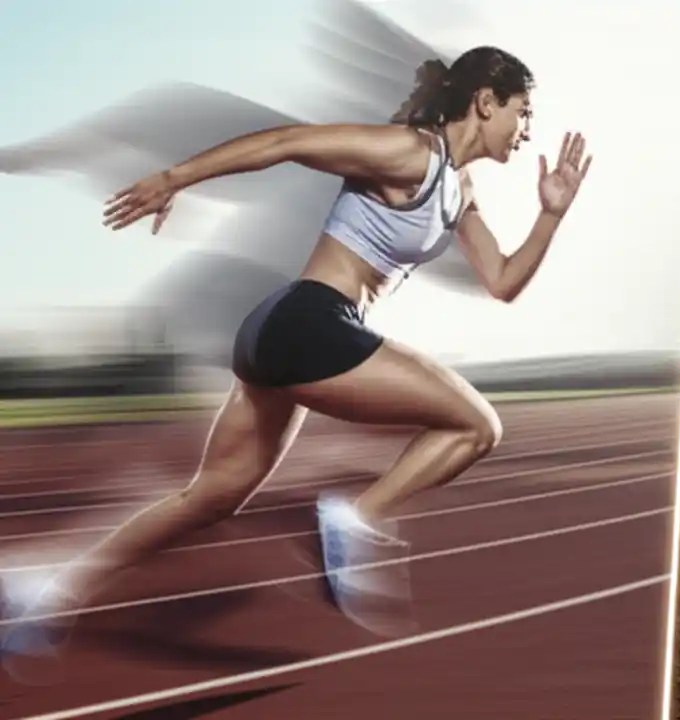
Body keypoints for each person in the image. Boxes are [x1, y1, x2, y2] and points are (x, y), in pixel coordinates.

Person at [1, 45, 593, 676]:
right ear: (486, 102)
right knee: (477, 425)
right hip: (310, 321)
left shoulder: (458, 190)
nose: (527, 130)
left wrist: (551, 215)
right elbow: (288, 141)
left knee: (210, 496)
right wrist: (174, 178)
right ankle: (357, 517)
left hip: (285, 331)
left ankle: (46, 593)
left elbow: (502, 281)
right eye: (523, 112)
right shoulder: (408, 152)